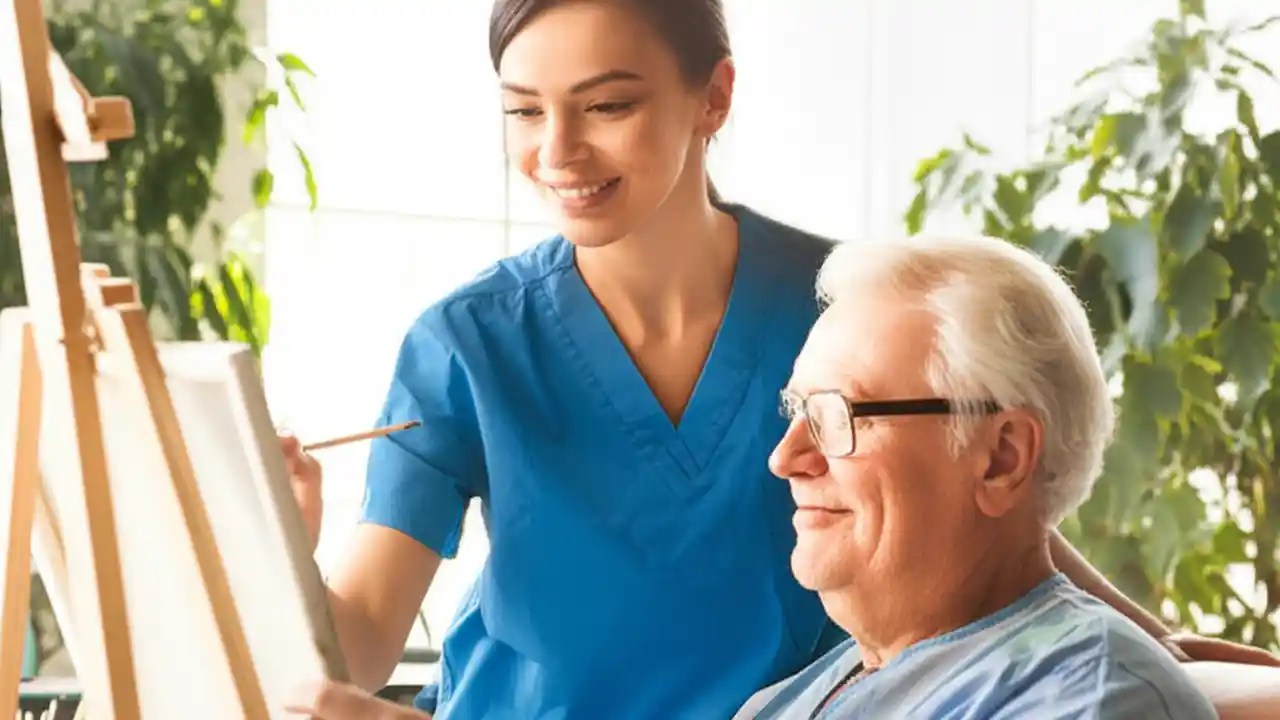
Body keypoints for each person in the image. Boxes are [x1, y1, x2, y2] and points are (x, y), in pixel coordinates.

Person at [281, 1, 1278, 718]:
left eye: (606, 105)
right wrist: (271, 541)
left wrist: (1167, 655)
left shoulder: (847, 312)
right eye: (522, 110)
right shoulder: (467, 343)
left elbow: (988, 534)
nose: (558, 151)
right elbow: (360, 641)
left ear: (711, 96)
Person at [735, 234, 1218, 719]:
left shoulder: (1091, 699)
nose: (786, 457)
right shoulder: (788, 701)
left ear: (1001, 459)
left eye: (839, 415)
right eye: (799, 409)